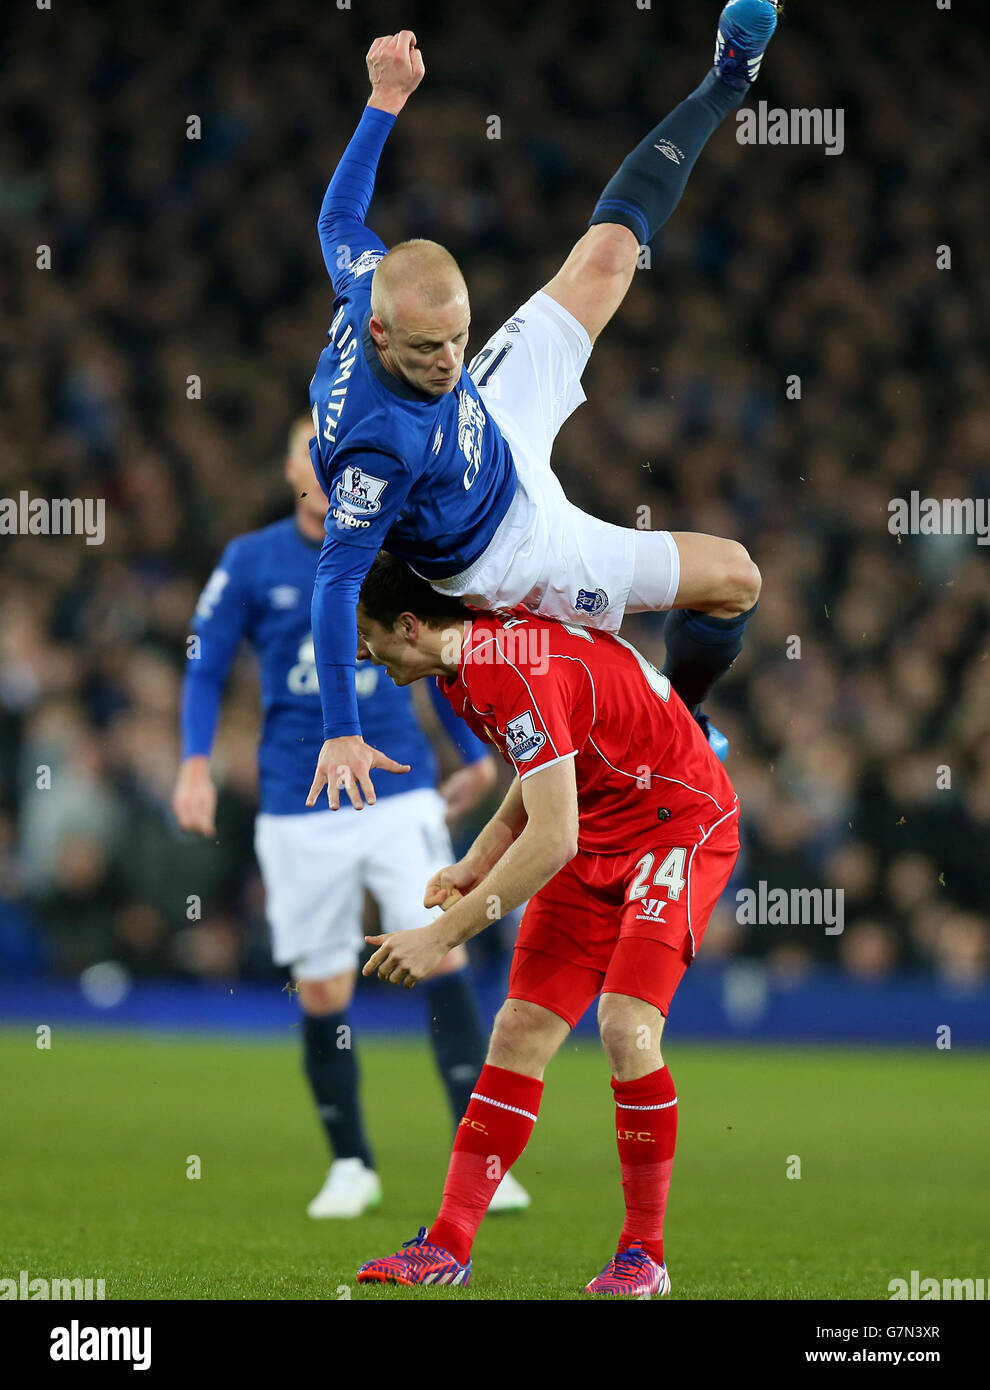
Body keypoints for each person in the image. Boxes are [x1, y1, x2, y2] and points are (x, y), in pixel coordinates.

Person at [306, 1, 780, 813]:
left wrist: (382, 101)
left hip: (491, 426)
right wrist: (340, 727)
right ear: (382, 336)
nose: (449, 360)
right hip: (516, 548)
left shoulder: (372, 291)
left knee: (603, 258)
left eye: (457, 337)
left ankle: (726, 79)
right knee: (735, 578)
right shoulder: (373, 451)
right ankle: (685, 712)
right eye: (427, 351)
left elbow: (338, 217)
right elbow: (335, 583)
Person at [350, 553, 741, 1294]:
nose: (365, 653)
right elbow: (546, 778)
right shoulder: (468, 667)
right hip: (595, 828)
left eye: (370, 637)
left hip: (676, 827)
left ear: (410, 624)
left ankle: (644, 1256)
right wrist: (479, 858)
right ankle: (449, 1245)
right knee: (519, 1030)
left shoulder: (502, 666)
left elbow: (552, 835)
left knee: (626, 1027)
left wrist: (443, 934)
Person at [172, 418, 529, 1218]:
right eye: (305, 447)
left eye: (328, 448)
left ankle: (482, 1162)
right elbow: (204, 668)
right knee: (325, 985)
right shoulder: (251, 561)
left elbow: (431, 652)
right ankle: (351, 1164)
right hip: (296, 801)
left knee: (441, 952)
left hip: (396, 787)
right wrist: (195, 761)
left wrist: (475, 754)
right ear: (290, 467)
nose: (320, 459)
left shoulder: (395, 543)